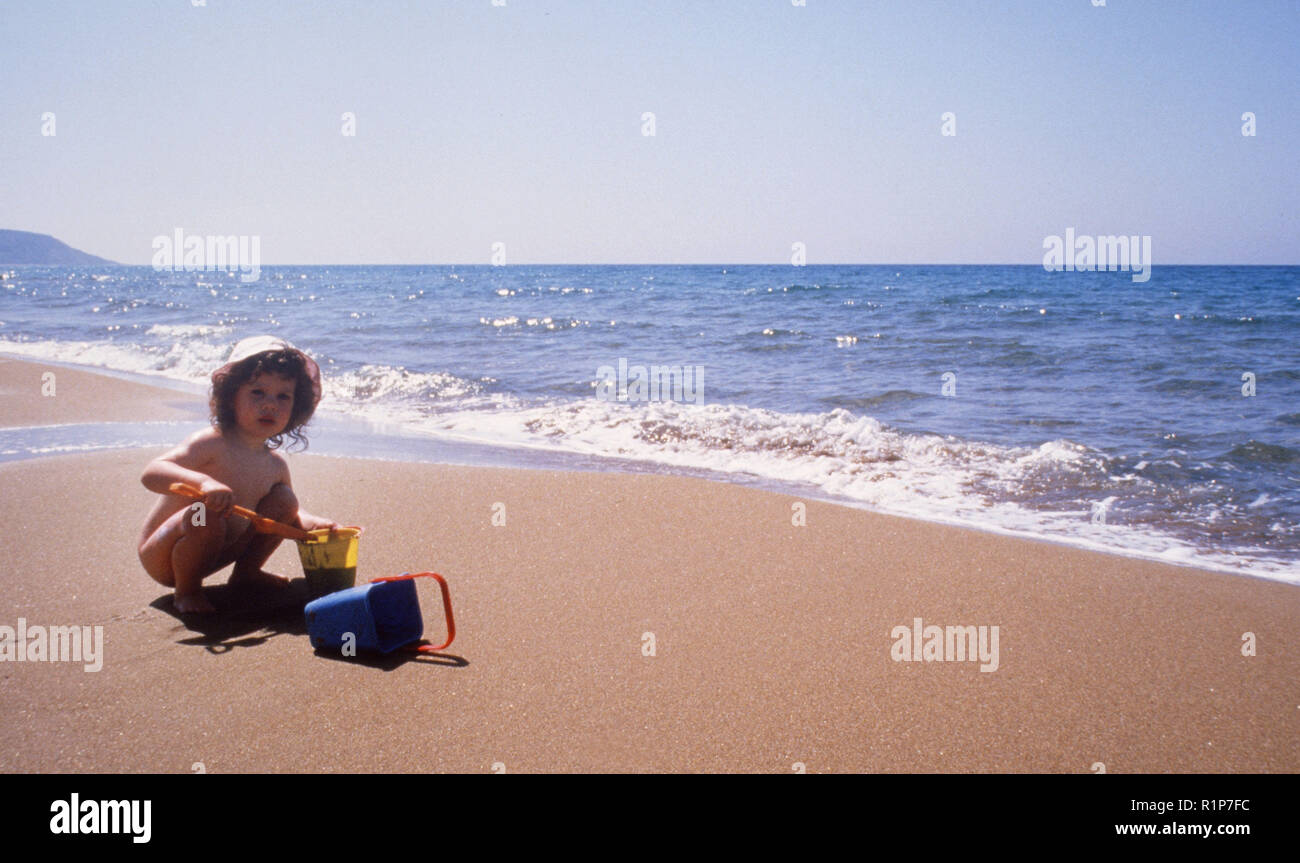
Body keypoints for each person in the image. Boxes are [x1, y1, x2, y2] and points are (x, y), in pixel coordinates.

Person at [138, 336, 339, 613]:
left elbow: (288, 516)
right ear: (231, 396)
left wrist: (314, 524)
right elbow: (151, 473)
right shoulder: (211, 443)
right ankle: (187, 592)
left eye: (283, 396)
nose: (270, 404)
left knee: (285, 500)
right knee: (204, 514)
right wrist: (203, 482)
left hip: (219, 550)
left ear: (296, 407)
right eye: (258, 392)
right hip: (165, 554)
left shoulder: (275, 464)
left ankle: (247, 573)